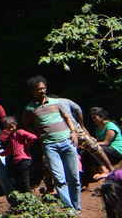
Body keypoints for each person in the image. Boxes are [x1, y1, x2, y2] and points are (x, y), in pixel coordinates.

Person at [23, 75, 82, 211]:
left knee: (74, 178)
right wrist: (38, 136)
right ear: (32, 91)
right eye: (39, 89)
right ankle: (69, 210)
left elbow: (67, 117)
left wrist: (73, 132)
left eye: (44, 88)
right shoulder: (29, 109)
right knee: (59, 179)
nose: (42, 91)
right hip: (50, 146)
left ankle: (77, 208)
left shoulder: (56, 102)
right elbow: (26, 125)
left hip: (67, 142)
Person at [53, 93, 114, 179]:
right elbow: (78, 109)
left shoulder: (56, 103)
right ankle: (106, 169)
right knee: (93, 148)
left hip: (62, 133)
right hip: (73, 130)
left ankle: (107, 169)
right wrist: (81, 124)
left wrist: (81, 125)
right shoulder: (64, 101)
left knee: (90, 149)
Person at [0, 115, 39, 194]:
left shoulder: (20, 132)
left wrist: (27, 145)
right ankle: (24, 197)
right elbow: (10, 149)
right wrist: (2, 153)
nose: (10, 129)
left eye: (12, 126)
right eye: (8, 128)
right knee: (18, 181)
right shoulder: (10, 136)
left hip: (24, 160)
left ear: (15, 124)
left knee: (25, 181)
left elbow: (33, 137)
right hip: (16, 161)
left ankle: (29, 198)